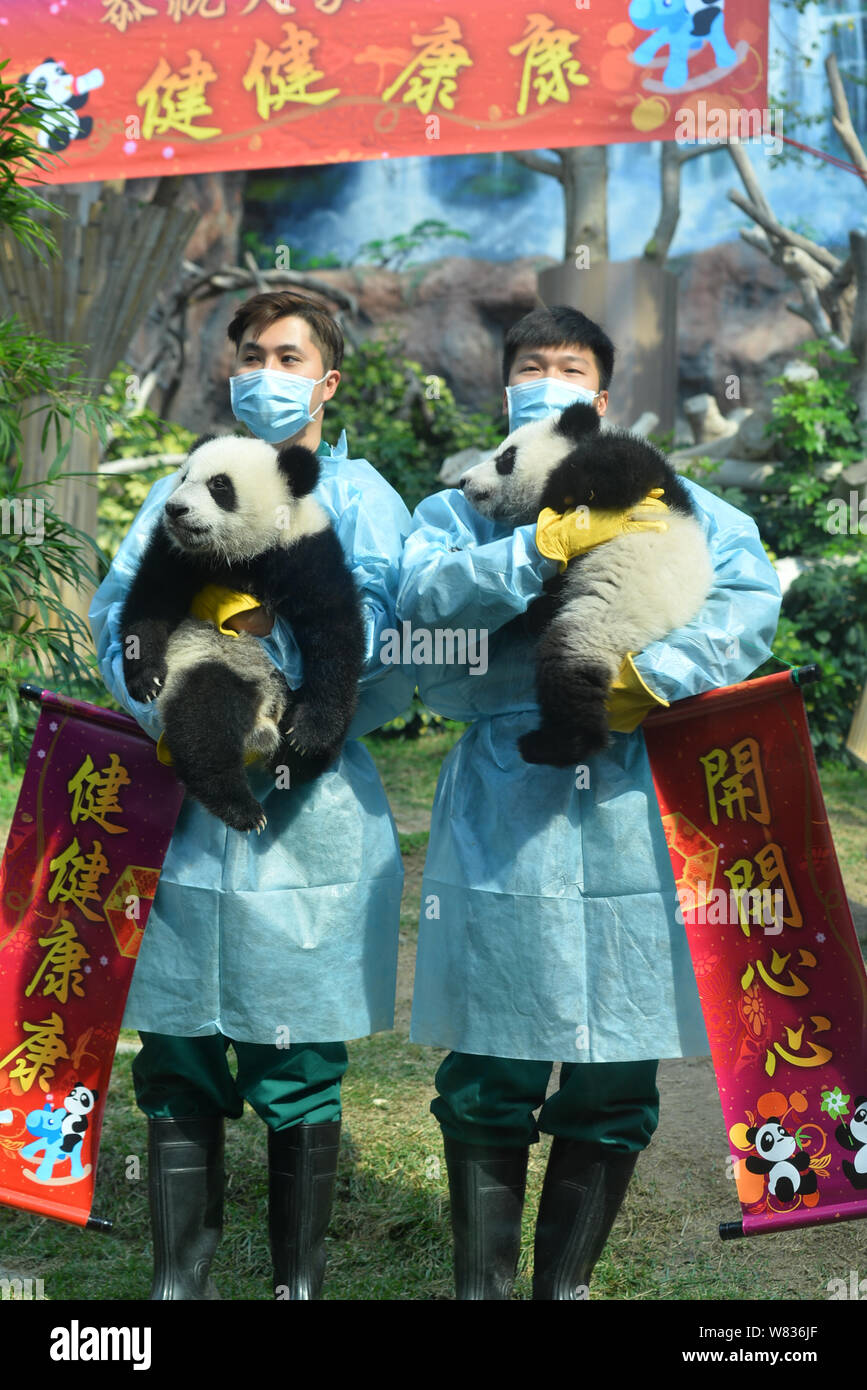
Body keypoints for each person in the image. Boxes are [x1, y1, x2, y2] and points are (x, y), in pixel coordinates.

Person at [396, 304, 782, 1300]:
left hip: (634, 809)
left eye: (569, 365)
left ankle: (560, 1288)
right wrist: (534, 552)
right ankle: (482, 1288)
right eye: (531, 363)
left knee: (616, 1069)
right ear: (506, 387)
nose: (549, 377)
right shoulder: (461, 505)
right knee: (488, 1065)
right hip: (504, 806)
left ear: (603, 397)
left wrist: (656, 672)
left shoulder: (676, 494)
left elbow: (745, 596)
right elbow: (421, 608)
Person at [89, 291, 414, 1301]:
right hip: (181, 814)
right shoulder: (186, 483)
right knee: (177, 1051)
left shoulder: (358, 495)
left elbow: (387, 652)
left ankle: (295, 1286)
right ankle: (178, 1283)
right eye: (248, 354)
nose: (261, 372)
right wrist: (174, 707)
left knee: (296, 1055)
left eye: (286, 354)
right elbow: (116, 621)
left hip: (306, 821)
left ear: (327, 380)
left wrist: (283, 692)